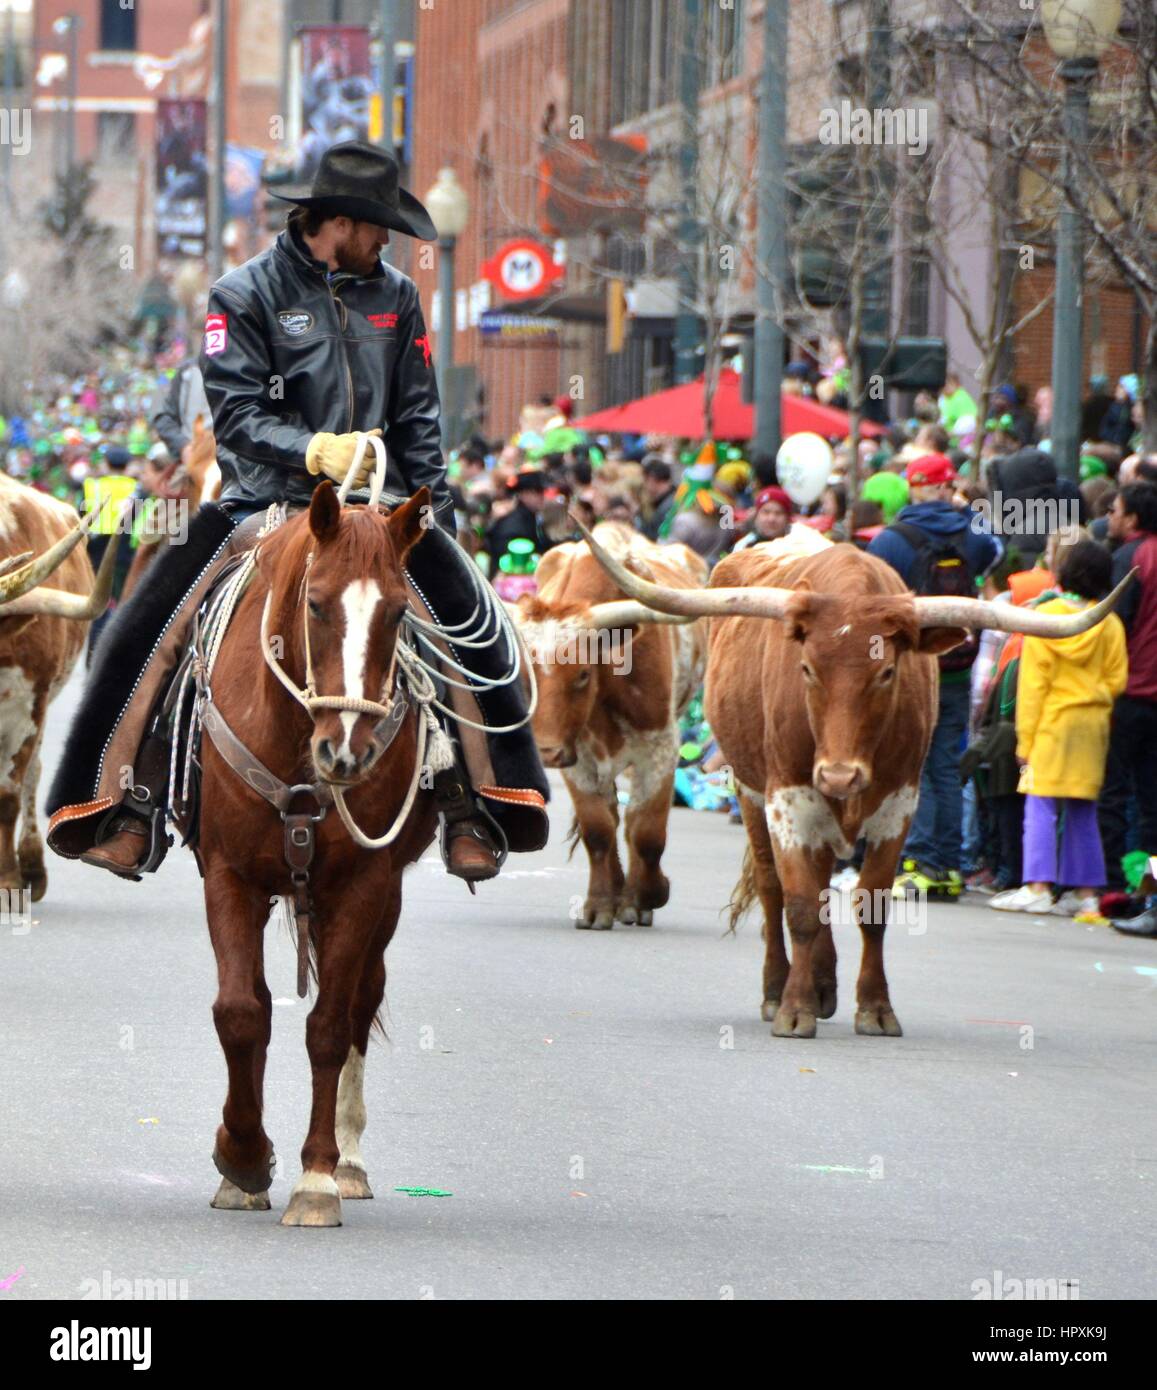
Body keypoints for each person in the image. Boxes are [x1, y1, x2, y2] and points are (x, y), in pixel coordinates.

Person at [47, 141, 548, 885]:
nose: (387, 242)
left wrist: (432, 511)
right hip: (261, 502)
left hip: (380, 508)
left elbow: (417, 415)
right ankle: (131, 804)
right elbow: (238, 416)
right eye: (378, 227)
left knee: (474, 624)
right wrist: (314, 450)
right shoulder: (241, 293)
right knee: (147, 630)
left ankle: (475, 800)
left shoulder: (396, 297)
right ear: (339, 222)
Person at [869, 454, 1002, 899]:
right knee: (944, 762)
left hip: (909, 667)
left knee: (913, 764)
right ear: (948, 487)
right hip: (958, 665)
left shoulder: (891, 540)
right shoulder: (974, 531)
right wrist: (965, 511)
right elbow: (997, 554)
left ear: (912, 488)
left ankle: (922, 859)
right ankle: (948, 866)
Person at [991, 539, 1127, 917]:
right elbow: (1117, 679)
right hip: (1092, 726)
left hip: (1050, 726)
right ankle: (1086, 895)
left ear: (1064, 573)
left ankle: (1037, 886)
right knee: (1082, 807)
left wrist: (1025, 741)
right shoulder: (1110, 621)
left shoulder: (1046, 617)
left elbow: (1033, 685)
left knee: (1039, 803)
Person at [1098, 484, 1157, 921]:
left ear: (1133, 519)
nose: (1110, 517)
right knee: (1153, 804)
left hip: (1129, 694)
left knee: (1113, 795)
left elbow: (1112, 629)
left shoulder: (1129, 560)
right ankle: (1150, 894)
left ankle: (1113, 886)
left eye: (1115, 511)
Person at [484, 468, 550, 569]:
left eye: (543, 492)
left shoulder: (530, 517)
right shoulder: (515, 524)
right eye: (537, 492)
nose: (542, 497)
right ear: (524, 494)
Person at [733, 484, 793, 550]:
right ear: (756, 515)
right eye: (766, 512)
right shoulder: (744, 545)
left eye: (778, 513)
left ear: (787, 518)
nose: (771, 519)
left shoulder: (797, 546)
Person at [639, 456, 678, 541]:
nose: (644, 486)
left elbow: (653, 537)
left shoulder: (668, 506)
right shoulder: (672, 498)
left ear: (651, 479)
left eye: (645, 480)